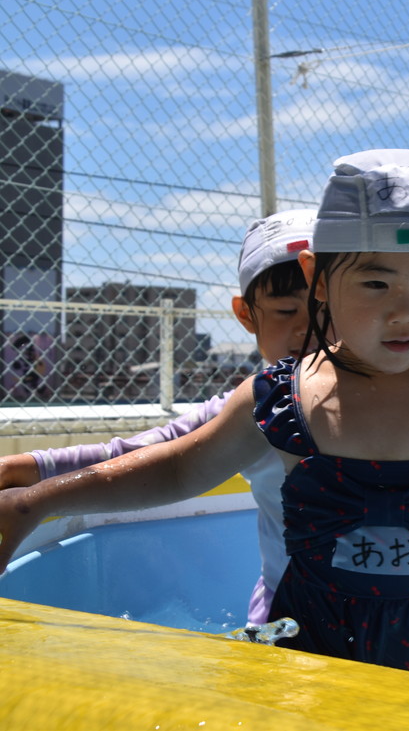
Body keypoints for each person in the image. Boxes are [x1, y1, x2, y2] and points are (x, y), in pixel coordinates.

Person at [0, 149, 409, 702]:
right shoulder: (281, 400)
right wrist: (35, 503)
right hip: (305, 656)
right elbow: (177, 467)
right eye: (374, 282)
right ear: (317, 276)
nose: (405, 311)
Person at [0, 208, 316, 624]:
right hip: (287, 614)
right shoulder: (255, 404)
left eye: (324, 308)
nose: (308, 329)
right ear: (245, 315)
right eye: (284, 311)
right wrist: (22, 469)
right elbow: (156, 456)